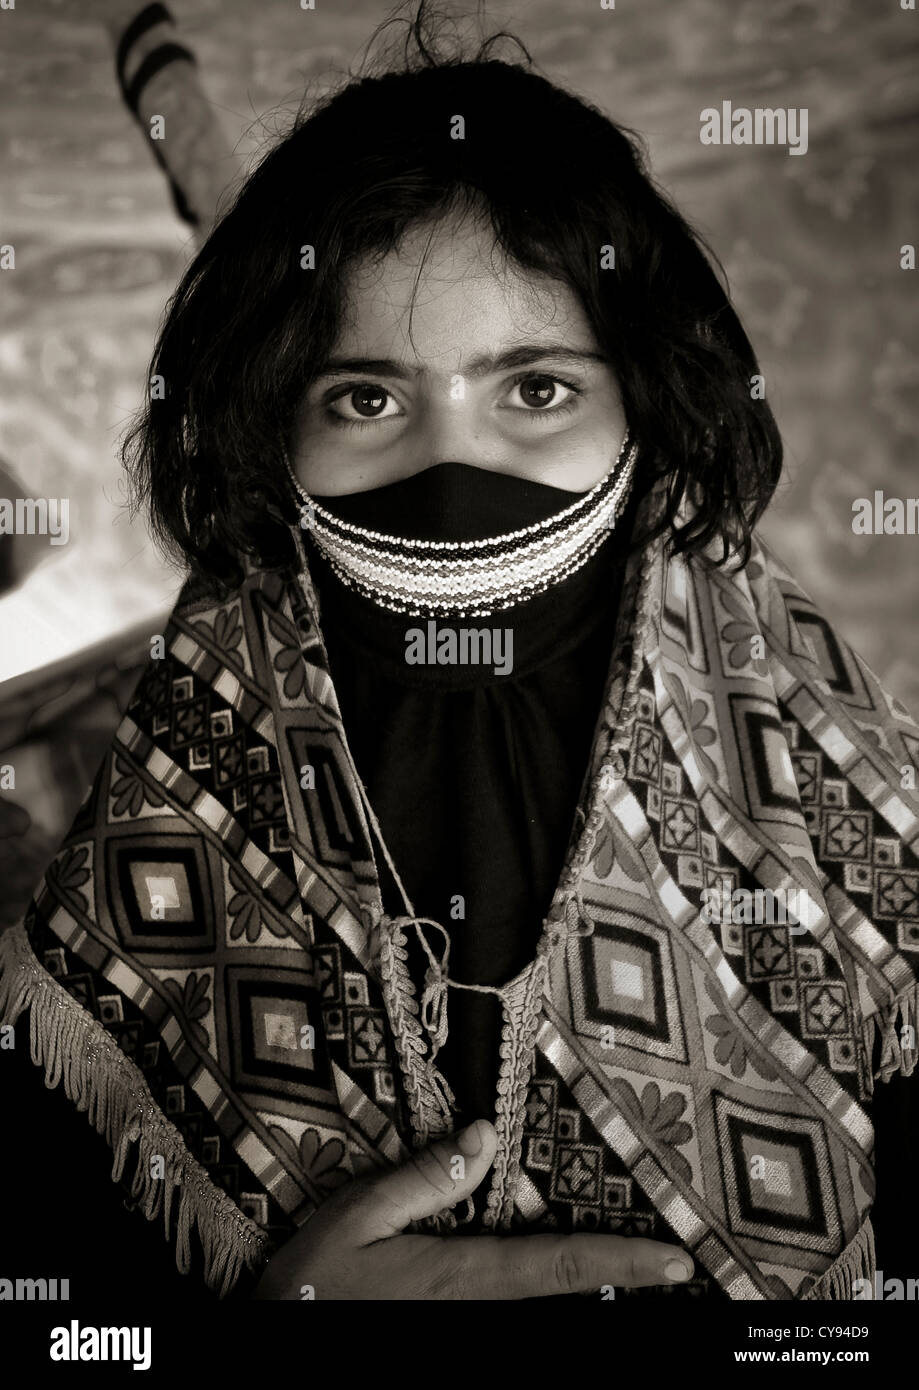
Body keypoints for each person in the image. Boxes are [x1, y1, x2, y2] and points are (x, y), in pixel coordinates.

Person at [2, 5, 917, 1303]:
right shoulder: (184, 780)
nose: (453, 477)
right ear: (281, 452)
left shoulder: (785, 719)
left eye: (536, 390)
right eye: (366, 399)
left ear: (639, 418)